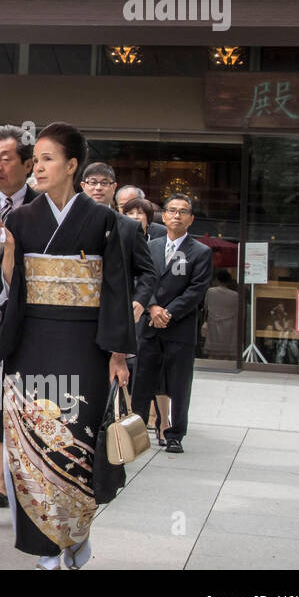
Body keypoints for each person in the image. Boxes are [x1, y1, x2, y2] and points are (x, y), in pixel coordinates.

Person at [0, 122, 134, 569]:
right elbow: (13, 288)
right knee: (33, 446)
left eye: (49, 159)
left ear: (73, 165)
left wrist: (116, 355)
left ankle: (74, 537)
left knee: (76, 447)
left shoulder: (103, 220)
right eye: (38, 160)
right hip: (31, 342)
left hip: (84, 346)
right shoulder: (21, 219)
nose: (40, 167)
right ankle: (45, 549)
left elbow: (115, 288)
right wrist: (8, 256)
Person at [131, 194, 213, 454]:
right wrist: (152, 306)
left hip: (180, 327)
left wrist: (168, 312)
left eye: (183, 212)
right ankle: (138, 430)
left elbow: (197, 289)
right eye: (172, 210)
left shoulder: (200, 252)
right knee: (142, 380)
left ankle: (175, 433)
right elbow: (142, 279)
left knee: (179, 383)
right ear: (163, 216)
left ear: (191, 219)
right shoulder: (150, 245)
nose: (177, 215)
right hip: (149, 324)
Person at [0, 124, 34, 508]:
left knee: (15, 394)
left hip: (23, 315)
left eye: (6, 159)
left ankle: (4, 473)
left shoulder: (40, 207)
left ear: (28, 164)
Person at [83, 164, 157, 391]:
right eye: (92, 182)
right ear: (82, 186)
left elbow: (148, 272)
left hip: (113, 315)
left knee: (105, 388)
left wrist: (140, 300)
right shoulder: (69, 222)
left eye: (104, 183)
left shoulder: (128, 226)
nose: (98, 188)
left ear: (114, 187)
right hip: (75, 312)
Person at [204, 269, 240, 360]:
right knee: (227, 355)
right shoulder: (235, 295)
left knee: (212, 353)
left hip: (214, 324)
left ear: (217, 279)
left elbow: (206, 308)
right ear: (229, 281)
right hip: (230, 326)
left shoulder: (211, 292)